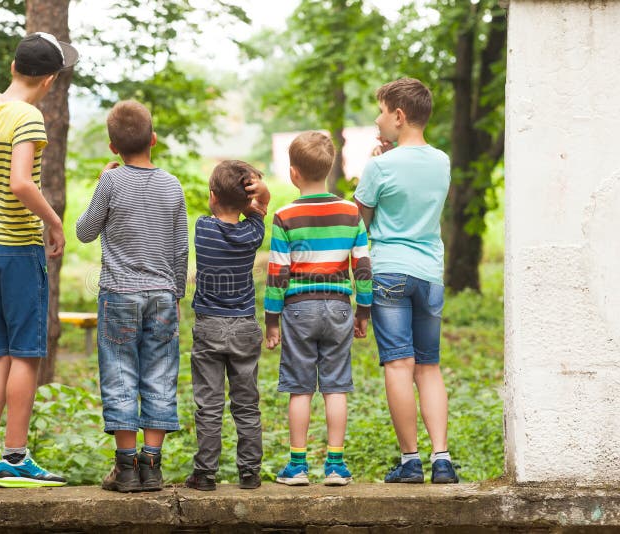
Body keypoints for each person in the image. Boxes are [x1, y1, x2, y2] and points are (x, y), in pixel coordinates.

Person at [0, 32, 78, 489]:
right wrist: (53, 222)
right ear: (49, 79)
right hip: (16, 248)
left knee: (1, 355)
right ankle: (14, 457)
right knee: (26, 355)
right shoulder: (29, 118)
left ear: (13, 67)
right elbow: (20, 183)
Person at [76, 100, 188, 493]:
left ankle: (125, 470)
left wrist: (101, 181)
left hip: (119, 295)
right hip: (161, 293)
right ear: (153, 140)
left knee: (120, 374)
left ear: (112, 148)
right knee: (160, 375)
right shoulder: (172, 184)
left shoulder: (111, 182)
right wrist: (178, 292)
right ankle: (152, 466)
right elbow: (180, 248)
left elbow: (85, 231)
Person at [354, 77, 458, 484]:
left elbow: (358, 223)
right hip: (430, 274)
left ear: (398, 116)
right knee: (428, 367)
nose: (378, 118)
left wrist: (379, 162)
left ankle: (410, 460)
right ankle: (442, 459)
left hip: (390, 272)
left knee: (399, 365)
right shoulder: (442, 160)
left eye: (381, 111)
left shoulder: (379, 166)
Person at [265, 131, 372, 487]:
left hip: (298, 309)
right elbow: (363, 266)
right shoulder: (350, 212)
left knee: (300, 387)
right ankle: (336, 465)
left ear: (294, 173)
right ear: (329, 169)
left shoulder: (284, 216)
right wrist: (363, 312)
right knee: (335, 385)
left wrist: (271, 320)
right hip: (340, 307)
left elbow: (277, 272)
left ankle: (297, 466)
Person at [183, 161, 271, 492]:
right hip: (245, 327)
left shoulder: (203, 228)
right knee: (246, 403)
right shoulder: (253, 234)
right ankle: (250, 473)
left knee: (209, 404)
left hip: (209, 328)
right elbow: (259, 212)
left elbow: (242, 210)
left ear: (213, 196)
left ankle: (205, 474)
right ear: (246, 201)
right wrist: (260, 198)